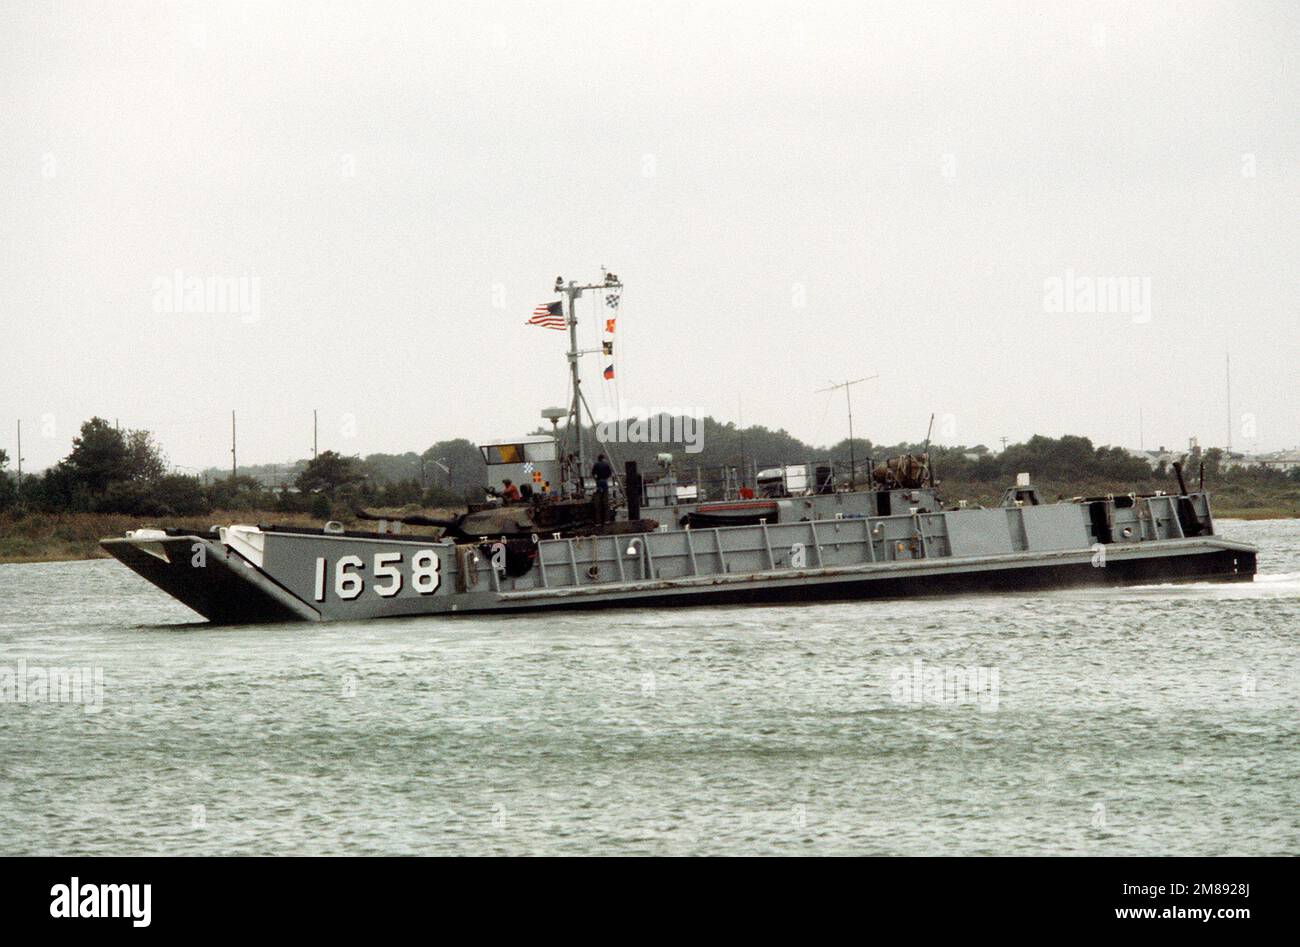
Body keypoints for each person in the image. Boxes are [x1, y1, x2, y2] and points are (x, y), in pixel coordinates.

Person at [591, 454, 614, 523]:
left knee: (598, 502)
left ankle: (598, 521)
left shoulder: (596, 465)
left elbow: (593, 473)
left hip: (599, 482)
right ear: (603, 458)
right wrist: (606, 478)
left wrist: (596, 479)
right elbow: (609, 474)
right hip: (604, 482)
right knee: (605, 501)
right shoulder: (606, 465)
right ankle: (607, 520)